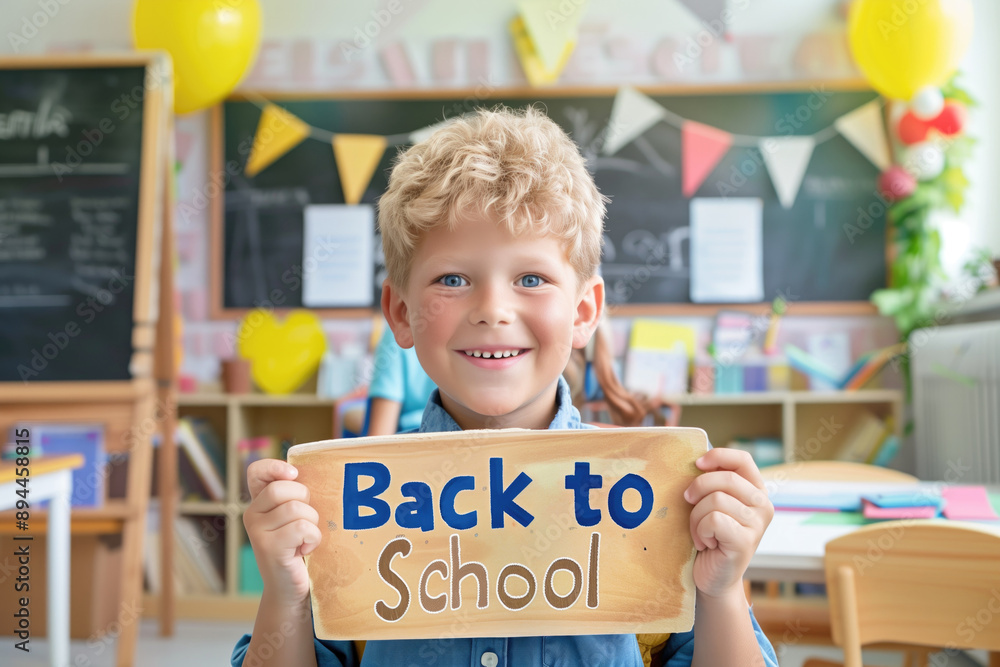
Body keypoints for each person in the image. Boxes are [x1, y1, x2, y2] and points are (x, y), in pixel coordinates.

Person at [233, 107, 777, 667]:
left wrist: (722, 591)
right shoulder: (347, 502)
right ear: (400, 311)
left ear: (584, 311)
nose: (493, 310)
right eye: (453, 279)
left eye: (532, 279)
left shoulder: (654, 495)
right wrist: (286, 595)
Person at [365, 326, 437, 435]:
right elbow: (380, 436)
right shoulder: (395, 338)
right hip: (409, 440)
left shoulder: (395, 337)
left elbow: (380, 435)